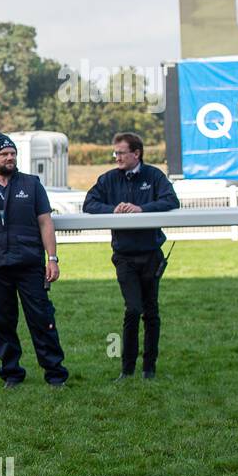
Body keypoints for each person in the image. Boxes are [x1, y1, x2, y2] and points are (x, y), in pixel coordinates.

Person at [0, 131, 68, 388]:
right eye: (4, 154)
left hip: (29, 265)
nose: (10, 157)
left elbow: (45, 222)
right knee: (1, 321)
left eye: (12, 153)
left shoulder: (32, 184)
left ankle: (55, 374)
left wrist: (52, 259)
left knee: (41, 318)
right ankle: (11, 373)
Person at [83, 131, 180, 381]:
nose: (117, 157)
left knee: (151, 311)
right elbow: (89, 204)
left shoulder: (154, 176)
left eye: (121, 153)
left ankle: (149, 368)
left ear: (136, 153)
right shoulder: (108, 179)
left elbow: (171, 200)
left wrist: (142, 209)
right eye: (115, 153)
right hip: (124, 256)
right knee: (133, 309)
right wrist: (112, 210)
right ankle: (126, 370)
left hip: (151, 255)